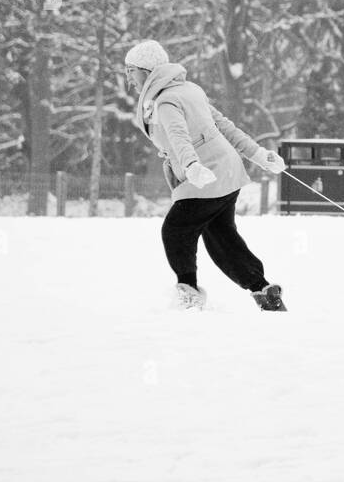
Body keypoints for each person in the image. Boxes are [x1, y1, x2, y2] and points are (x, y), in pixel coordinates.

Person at [124, 40, 289, 312]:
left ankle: (188, 294)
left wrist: (191, 166)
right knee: (221, 238)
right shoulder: (188, 90)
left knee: (175, 230)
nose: (128, 77)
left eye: (130, 70)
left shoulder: (166, 100)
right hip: (226, 173)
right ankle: (263, 291)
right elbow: (224, 127)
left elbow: (180, 138)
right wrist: (258, 155)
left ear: (147, 70)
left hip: (205, 177)